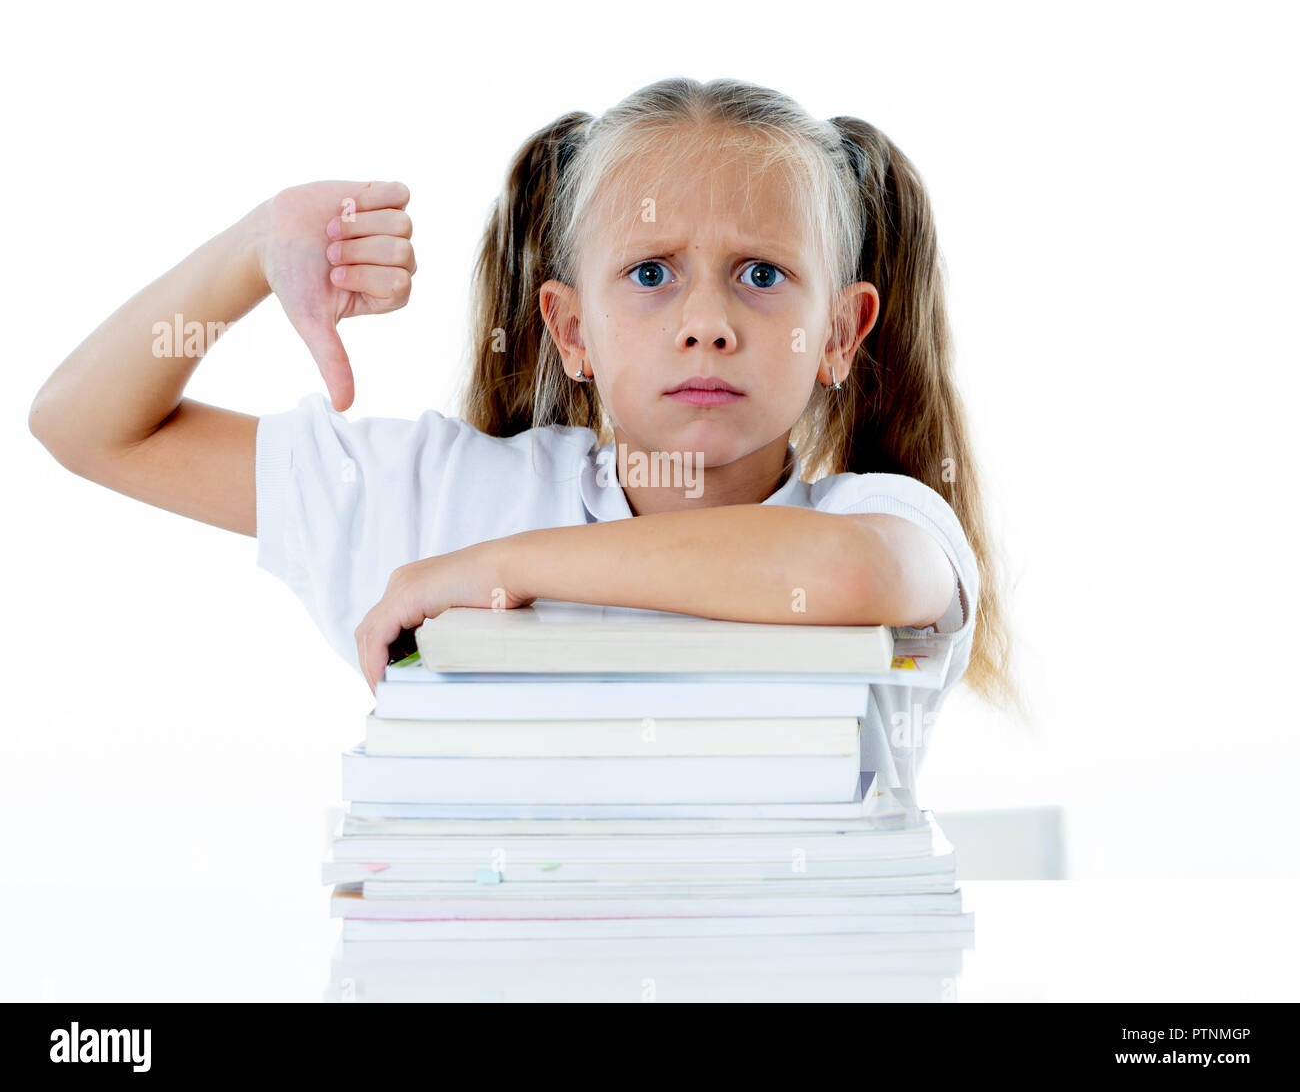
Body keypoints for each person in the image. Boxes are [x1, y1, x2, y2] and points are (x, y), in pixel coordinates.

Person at [29, 77, 1019, 794]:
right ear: (570, 331)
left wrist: (480, 570)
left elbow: (853, 580)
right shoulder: (440, 494)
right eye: (650, 273)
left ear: (839, 335)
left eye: (761, 274)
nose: (706, 321)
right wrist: (251, 249)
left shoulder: (880, 519)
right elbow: (86, 426)